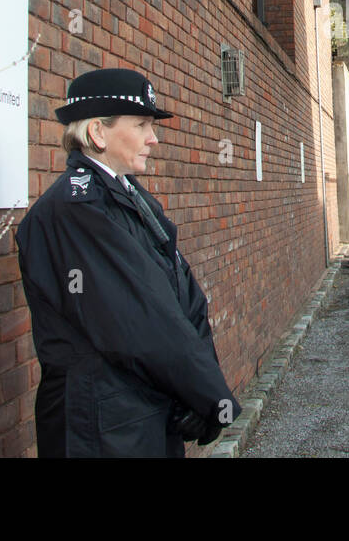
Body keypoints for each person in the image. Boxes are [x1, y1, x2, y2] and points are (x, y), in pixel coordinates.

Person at [16, 68, 241, 457]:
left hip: (135, 415)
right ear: (97, 133)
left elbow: (183, 294)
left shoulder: (128, 196)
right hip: (101, 429)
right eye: (140, 125)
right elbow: (143, 320)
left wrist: (198, 394)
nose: (153, 138)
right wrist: (210, 397)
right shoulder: (76, 211)